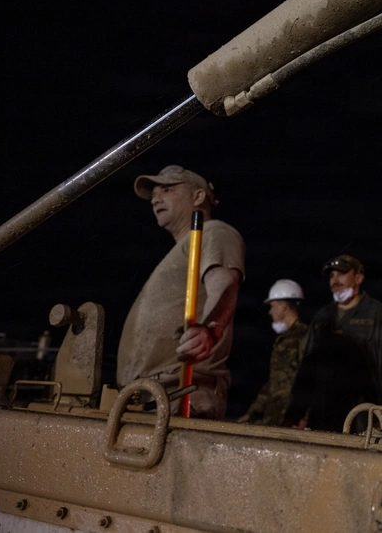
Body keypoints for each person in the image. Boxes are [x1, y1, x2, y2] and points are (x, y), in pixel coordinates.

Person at [117, 165, 245, 419]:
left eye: (167, 189)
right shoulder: (181, 249)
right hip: (152, 397)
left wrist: (211, 328)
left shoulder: (214, 231)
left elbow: (225, 283)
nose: (155, 199)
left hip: (181, 395)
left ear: (198, 196)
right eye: (154, 194)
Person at [286, 254, 382, 430]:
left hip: (361, 415)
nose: (335, 281)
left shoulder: (378, 315)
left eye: (341, 274)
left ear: (358, 278)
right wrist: (298, 413)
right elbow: (307, 368)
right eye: (332, 276)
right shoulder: (322, 317)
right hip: (323, 414)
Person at [237, 279, 310, 426]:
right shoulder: (284, 339)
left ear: (284, 307)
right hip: (275, 417)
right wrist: (253, 412)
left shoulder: (305, 337)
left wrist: (307, 418)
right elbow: (274, 381)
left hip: (291, 419)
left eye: (272, 306)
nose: (270, 312)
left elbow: (311, 380)